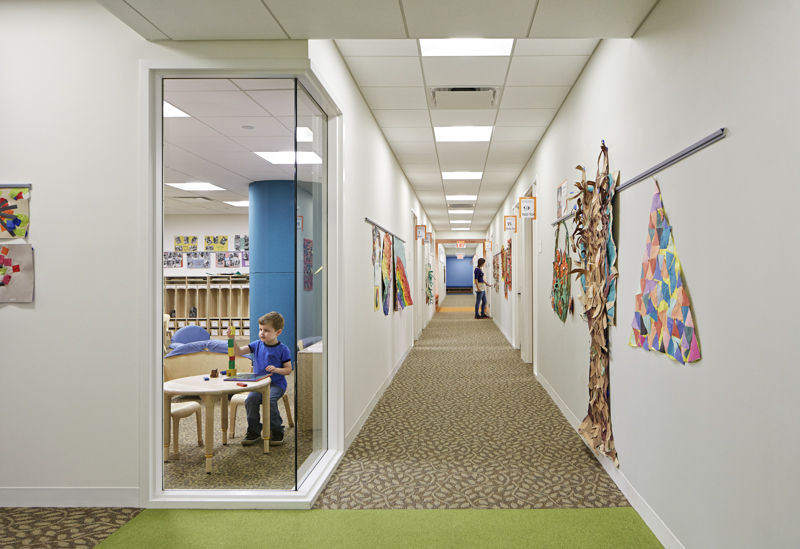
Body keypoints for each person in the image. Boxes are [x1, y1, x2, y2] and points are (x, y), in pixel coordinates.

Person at [227, 312, 292, 446]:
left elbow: (288, 370)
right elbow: (238, 352)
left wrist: (276, 369)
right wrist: (232, 338)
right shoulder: (256, 345)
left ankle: (277, 429)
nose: (262, 333)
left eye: (266, 330)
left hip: (276, 385)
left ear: (278, 332)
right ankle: (254, 430)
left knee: (269, 400)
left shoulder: (283, 349)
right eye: (261, 329)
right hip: (258, 384)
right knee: (250, 400)